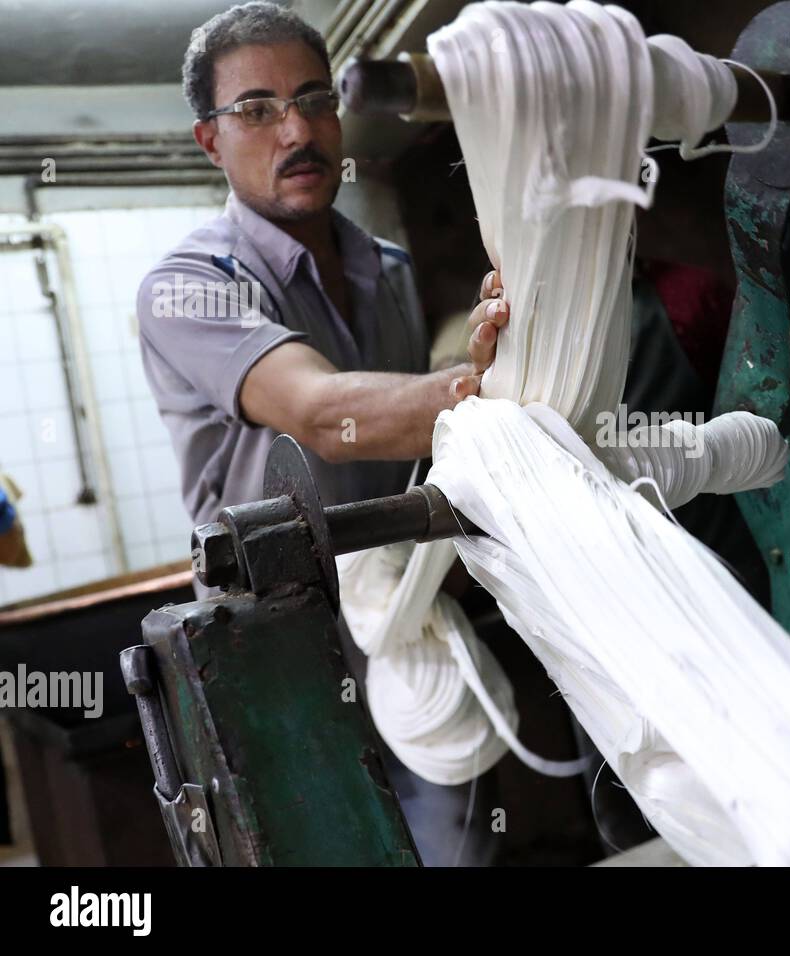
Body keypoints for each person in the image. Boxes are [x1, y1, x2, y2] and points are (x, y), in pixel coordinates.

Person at [136, 1, 507, 866]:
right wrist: (498, 389)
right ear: (209, 141)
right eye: (257, 110)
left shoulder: (392, 270)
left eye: (313, 99)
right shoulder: (186, 287)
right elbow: (321, 413)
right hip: (273, 645)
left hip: (409, 610)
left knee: (459, 836)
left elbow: (416, 436)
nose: (296, 129)